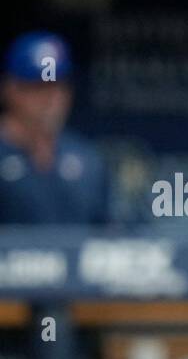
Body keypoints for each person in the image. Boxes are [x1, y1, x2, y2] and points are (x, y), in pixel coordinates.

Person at [0, 31, 108, 225]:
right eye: (40, 86)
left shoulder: (87, 160)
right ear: (10, 89)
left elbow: (109, 239)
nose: (53, 99)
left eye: (59, 86)